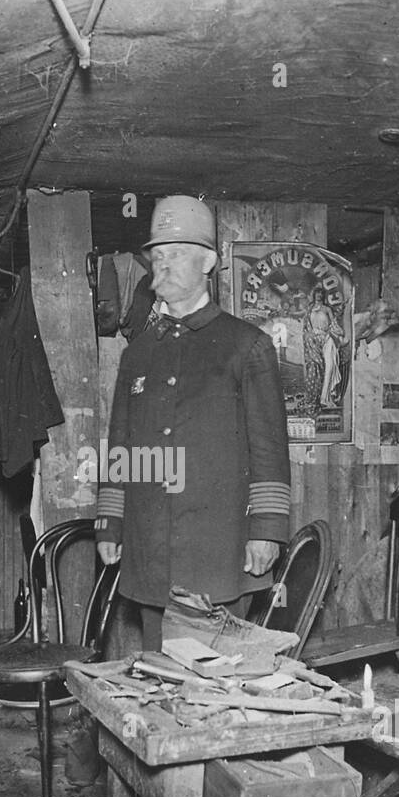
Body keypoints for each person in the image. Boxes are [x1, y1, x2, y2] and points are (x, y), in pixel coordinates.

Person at [95, 196, 291, 651]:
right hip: (149, 548)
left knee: (218, 685)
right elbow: (121, 445)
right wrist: (110, 522)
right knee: (159, 679)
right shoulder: (138, 353)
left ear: (209, 261)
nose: (162, 266)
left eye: (176, 253)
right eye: (157, 257)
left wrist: (266, 531)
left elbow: (269, 449)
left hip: (217, 551)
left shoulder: (247, 346)